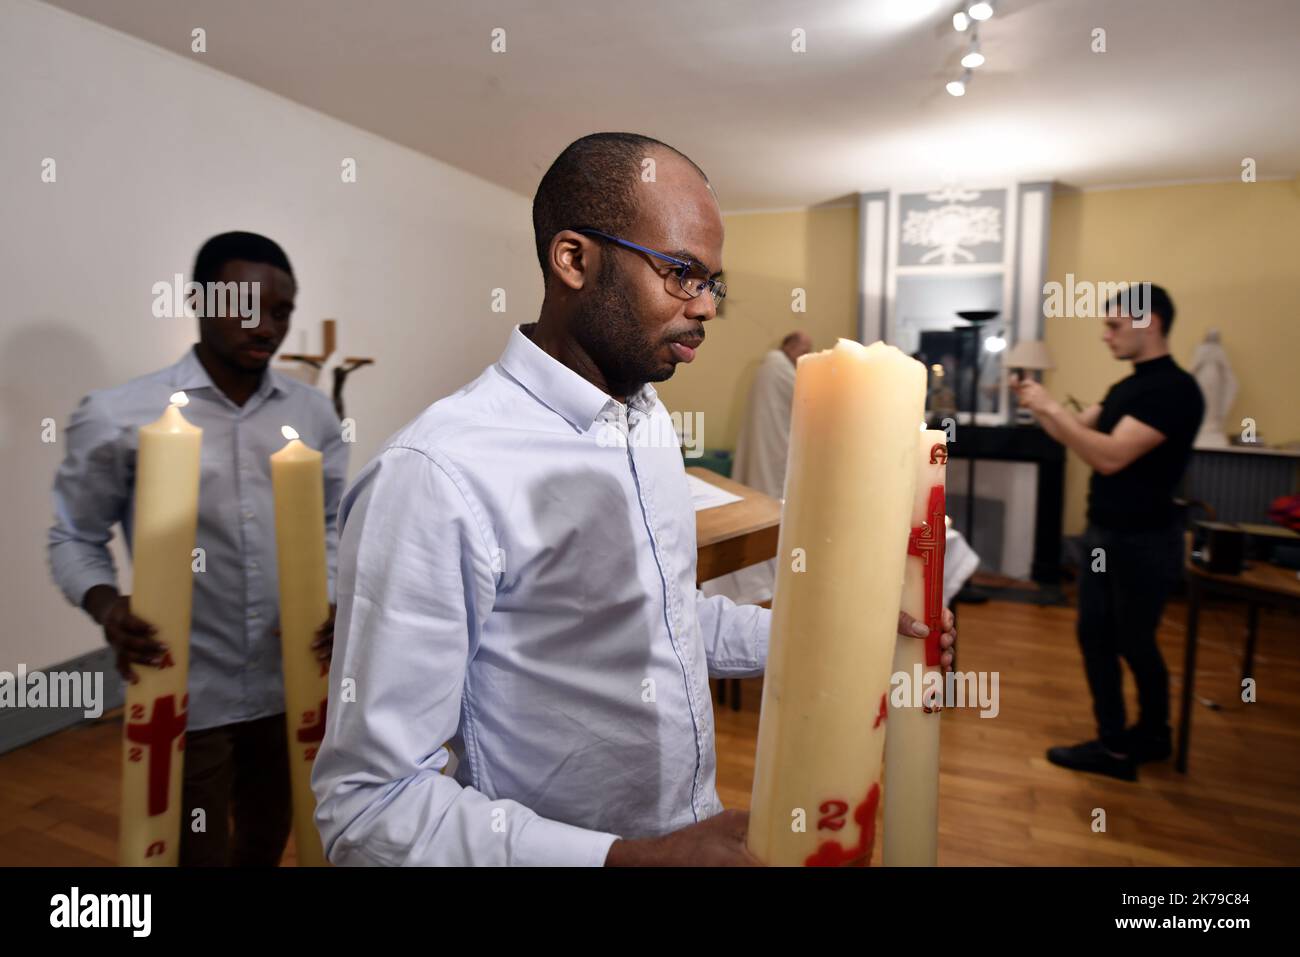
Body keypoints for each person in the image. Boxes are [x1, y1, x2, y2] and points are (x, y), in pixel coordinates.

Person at [311, 133, 956, 866]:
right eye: (682, 273)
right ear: (575, 260)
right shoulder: (437, 473)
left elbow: (666, 617)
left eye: (715, 281)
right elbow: (368, 806)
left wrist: (848, 635)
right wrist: (629, 859)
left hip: (691, 827)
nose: (707, 305)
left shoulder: (644, 418)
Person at [48, 231, 347, 864]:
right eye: (244, 304)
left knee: (270, 836)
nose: (265, 326)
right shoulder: (119, 416)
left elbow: (332, 523)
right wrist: (107, 607)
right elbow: (74, 535)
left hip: (289, 679)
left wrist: (332, 595)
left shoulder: (313, 416)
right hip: (187, 685)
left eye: (282, 311)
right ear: (197, 300)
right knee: (196, 849)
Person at [1013, 283, 1204, 781]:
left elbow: (1110, 456)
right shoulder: (1128, 387)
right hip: (1108, 536)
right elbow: (1076, 431)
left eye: (1114, 324)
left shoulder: (1174, 390)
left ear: (1150, 322)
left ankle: (1125, 747)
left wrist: (1055, 412)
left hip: (1141, 540)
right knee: (1104, 637)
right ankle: (1138, 737)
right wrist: (1040, 405)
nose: (1106, 334)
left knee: (1129, 641)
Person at [704, 330, 811, 604]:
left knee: (765, 499)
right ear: (788, 346)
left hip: (772, 443)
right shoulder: (777, 366)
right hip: (775, 449)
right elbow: (810, 394)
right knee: (772, 505)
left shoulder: (773, 367)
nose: (805, 353)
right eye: (802, 347)